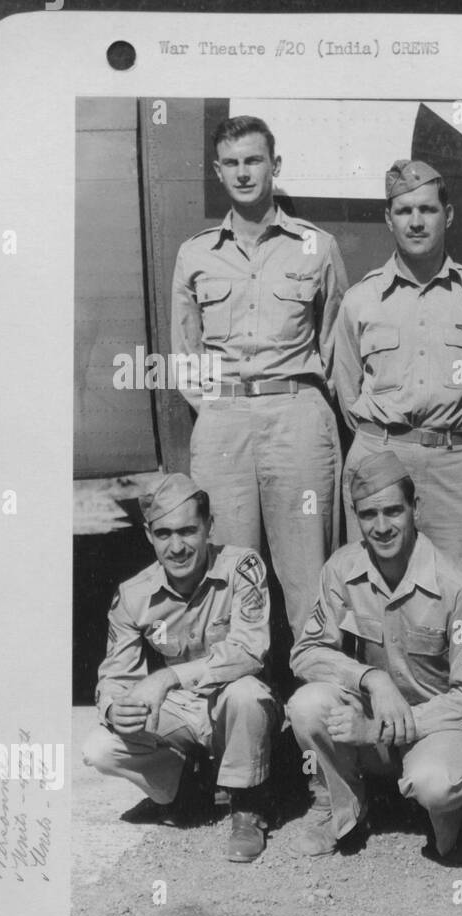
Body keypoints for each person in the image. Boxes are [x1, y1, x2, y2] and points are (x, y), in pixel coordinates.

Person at [171, 115, 349, 640]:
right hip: (223, 420)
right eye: (232, 163)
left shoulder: (317, 246)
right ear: (217, 171)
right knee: (226, 574)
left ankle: (318, 706)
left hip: (297, 417)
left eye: (254, 160)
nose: (244, 172)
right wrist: (218, 408)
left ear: (275, 165)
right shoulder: (195, 253)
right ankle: (237, 704)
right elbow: (185, 354)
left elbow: (336, 346)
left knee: (308, 574)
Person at [285, 451, 462, 862]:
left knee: (435, 785)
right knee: (306, 705)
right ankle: (345, 809)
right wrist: (370, 679)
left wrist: (383, 729)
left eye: (393, 511)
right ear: (356, 517)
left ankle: (447, 816)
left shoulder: (459, 587)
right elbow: (306, 652)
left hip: (436, 727)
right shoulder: (342, 570)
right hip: (372, 720)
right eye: (368, 515)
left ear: (415, 508)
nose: (381, 527)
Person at [332, 158, 462, 578]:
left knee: (461, 587)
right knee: (371, 589)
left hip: (454, 465)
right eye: (404, 211)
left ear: (447, 215)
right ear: (388, 219)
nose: (416, 222)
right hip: (378, 456)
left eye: (428, 210)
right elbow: (347, 390)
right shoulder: (361, 301)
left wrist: (448, 437)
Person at [84, 474, 280, 863]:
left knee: (246, 694)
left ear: (209, 525)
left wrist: (168, 676)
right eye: (164, 534)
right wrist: (114, 708)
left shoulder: (242, 567)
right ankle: (184, 791)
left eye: (189, 531)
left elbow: (249, 650)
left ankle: (247, 806)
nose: (177, 547)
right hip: (185, 712)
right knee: (101, 748)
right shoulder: (134, 594)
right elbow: (116, 675)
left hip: (235, 706)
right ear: (148, 535)